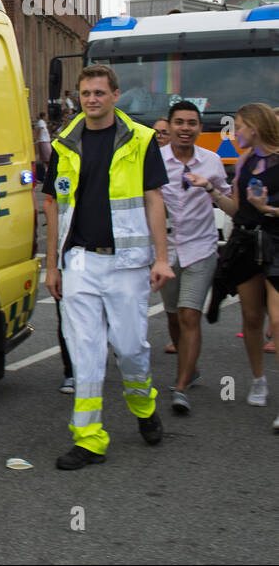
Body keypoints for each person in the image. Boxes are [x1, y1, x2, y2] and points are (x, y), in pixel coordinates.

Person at [43, 65, 172, 469]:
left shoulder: (140, 140)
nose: (92, 100)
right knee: (86, 352)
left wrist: (163, 257)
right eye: (85, 93)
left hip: (127, 264)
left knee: (131, 348)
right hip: (79, 261)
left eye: (99, 93)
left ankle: (143, 405)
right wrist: (52, 266)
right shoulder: (65, 142)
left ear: (115, 95)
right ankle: (89, 440)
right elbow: (54, 205)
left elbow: (153, 199)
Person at [186, 102, 279, 419]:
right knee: (252, 319)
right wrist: (210, 188)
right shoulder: (244, 162)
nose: (234, 132)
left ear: (255, 127)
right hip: (246, 243)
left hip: (277, 243)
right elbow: (237, 210)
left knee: (277, 321)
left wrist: (268, 210)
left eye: (238, 126)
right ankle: (258, 380)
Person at [158, 101, 229, 413]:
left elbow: (230, 204)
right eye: (180, 123)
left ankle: (181, 386)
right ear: (170, 127)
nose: (185, 128)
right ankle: (192, 366)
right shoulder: (155, 161)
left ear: (200, 128)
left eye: (192, 123)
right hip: (166, 249)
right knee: (174, 316)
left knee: (190, 315)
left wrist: (211, 189)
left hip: (201, 248)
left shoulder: (212, 161)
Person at [34, 111, 52, 185]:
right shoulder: (41, 122)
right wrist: (38, 139)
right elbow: (40, 131)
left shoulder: (43, 122)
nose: (47, 117)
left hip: (46, 141)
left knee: (47, 158)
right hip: (43, 141)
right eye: (46, 115)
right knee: (46, 159)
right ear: (43, 116)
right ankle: (46, 174)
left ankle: (47, 173)